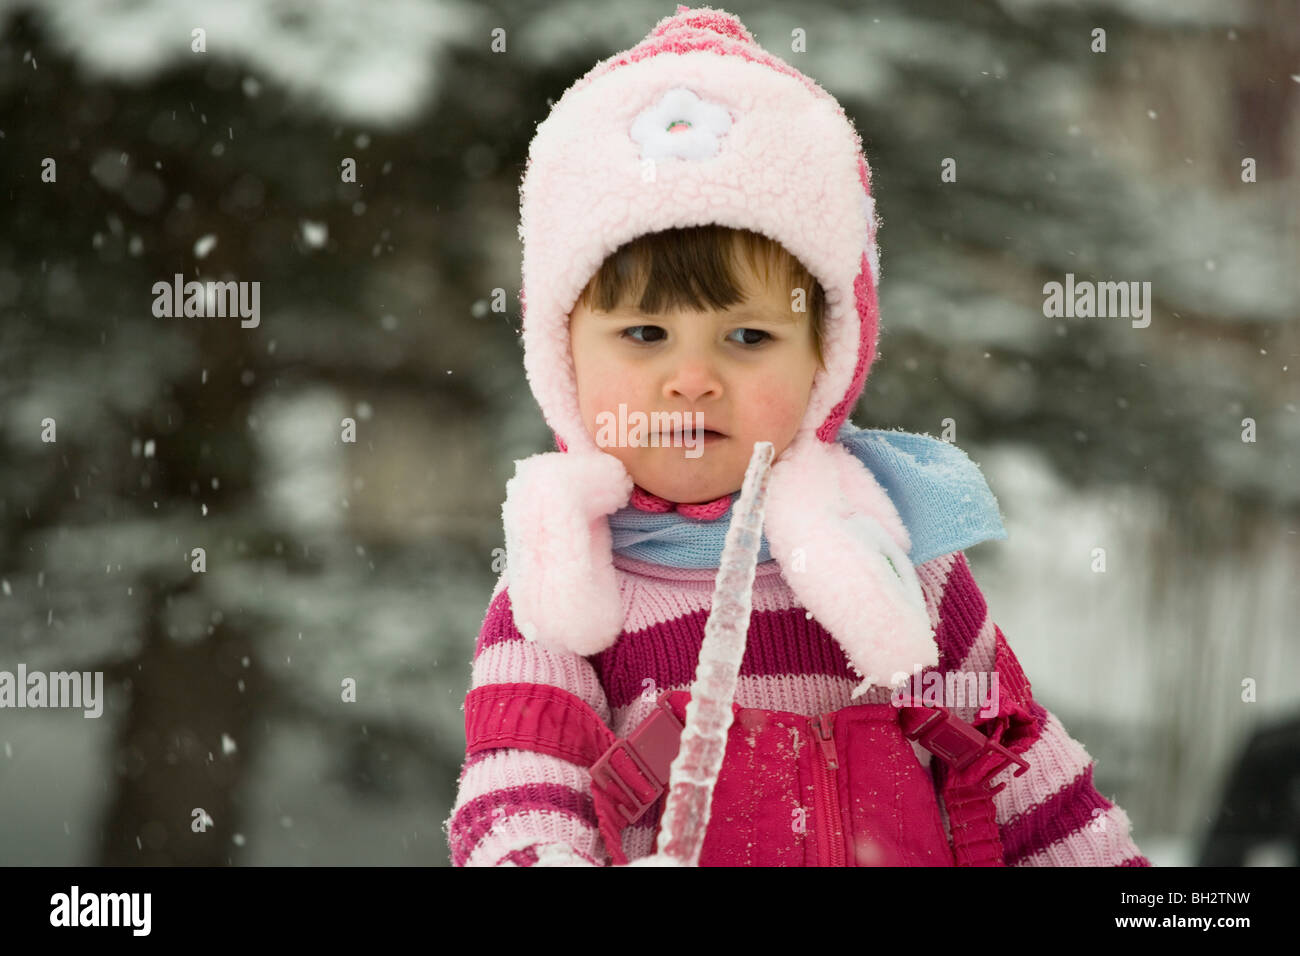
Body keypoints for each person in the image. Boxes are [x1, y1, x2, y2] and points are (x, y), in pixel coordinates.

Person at [444, 5, 1150, 867]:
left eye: (748, 337)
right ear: (564, 357)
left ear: (828, 358)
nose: (693, 377)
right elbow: (517, 791)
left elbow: (1024, 778)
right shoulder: (561, 590)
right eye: (644, 334)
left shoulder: (892, 555)